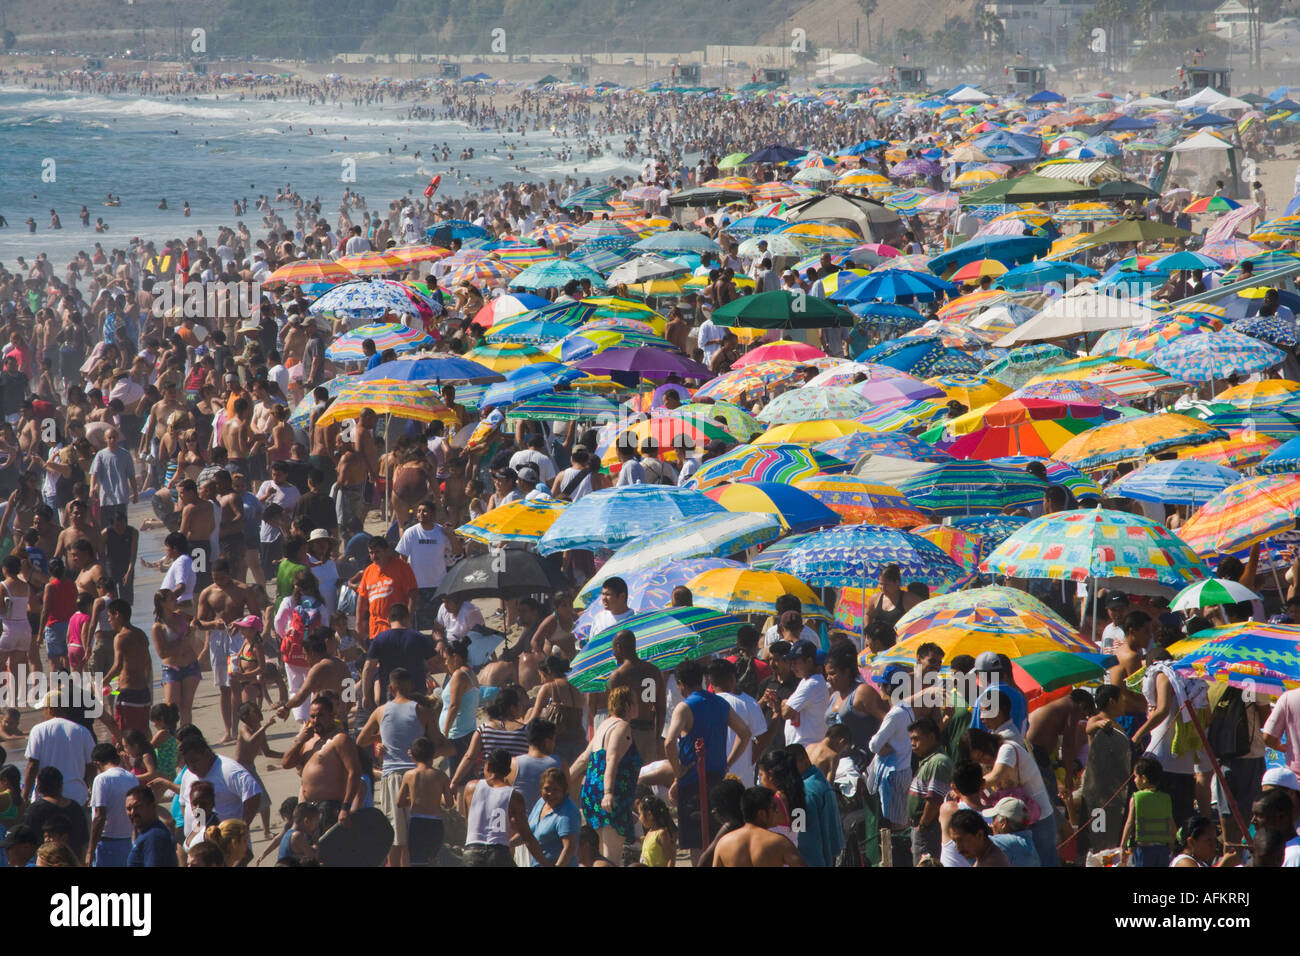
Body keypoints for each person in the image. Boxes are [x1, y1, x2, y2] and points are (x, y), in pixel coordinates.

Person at [663, 659, 753, 865]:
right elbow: (745, 734)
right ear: (702, 680)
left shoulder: (684, 707)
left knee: (696, 844)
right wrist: (727, 763)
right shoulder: (720, 703)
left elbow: (669, 743)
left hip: (693, 782)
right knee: (718, 836)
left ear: (680, 684)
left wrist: (678, 772)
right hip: (717, 780)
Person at [282, 695, 363, 833]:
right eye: (312, 716)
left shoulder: (340, 739)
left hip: (329, 807)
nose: (315, 720)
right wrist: (300, 741)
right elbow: (286, 763)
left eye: (320, 716)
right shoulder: (308, 741)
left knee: (327, 852)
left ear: (332, 715)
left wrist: (345, 808)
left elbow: (354, 773)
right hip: (307, 809)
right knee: (309, 853)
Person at [463, 748, 546, 867]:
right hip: (498, 853)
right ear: (508, 771)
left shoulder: (470, 787)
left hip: (472, 852)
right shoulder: (514, 796)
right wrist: (546, 863)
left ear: (487, 766)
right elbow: (526, 836)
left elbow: (468, 822)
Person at [606, 628, 666, 761]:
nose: (613, 653)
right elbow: (661, 708)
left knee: (629, 778)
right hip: (649, 731)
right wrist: (656, 737)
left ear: (619, 647)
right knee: (647, 778)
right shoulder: (653, 671)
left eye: (613, 649)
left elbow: (613, 712)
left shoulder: (618, 676)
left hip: (628, 733)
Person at [711, 786, 807, 867]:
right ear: (761, 814)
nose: (777, 811)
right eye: (774, 807)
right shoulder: (779, 843)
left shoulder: (723, 843)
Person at [396, 736, 452, 867]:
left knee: (417, 862)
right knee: (434, 861)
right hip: (435, 823)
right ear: (433, 755)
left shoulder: (409, 775)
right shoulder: (441, 776)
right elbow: (449, 803)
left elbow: (399, 802)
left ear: (413, 757)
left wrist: (415, 799)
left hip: (417, 822)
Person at [907, 716, 952, 865]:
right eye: (911, 739)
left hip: (930, 829)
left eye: (917, 739)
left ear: (932, 737)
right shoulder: (929, 760)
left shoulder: (938, 762)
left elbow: (934, 800)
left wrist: (922, 827)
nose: (913, 743)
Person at [1120, 755, 1176, 868]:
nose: (1134, 780)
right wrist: (1172, 845)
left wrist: (1123, 846)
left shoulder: (1137, 798)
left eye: (1135, 776)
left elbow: (1130, 823)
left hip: (1144, 849)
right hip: (1162, 849)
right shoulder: (1166, 798)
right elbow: (1171, 825)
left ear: (1144, 778)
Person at [87, 742, 138, 866]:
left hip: (106, 843)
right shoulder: (131, 777)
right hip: (127, 840)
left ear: (97, 763)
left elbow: (99, 816)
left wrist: (90, 850)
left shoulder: (101, 779)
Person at [528, 766, 582, 867]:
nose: (550, 793)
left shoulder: (568, 812)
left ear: (564, 790)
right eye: (546, 789)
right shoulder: (541, 803)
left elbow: (569, 847)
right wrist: (505, 844)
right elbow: (527, 833)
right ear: (541, 788)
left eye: (556, 790)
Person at [987, 797, 1040, 867]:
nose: (991, 824)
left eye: (994, 818)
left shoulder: (1005, 843)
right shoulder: (1027, 843)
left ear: (1003, 822)